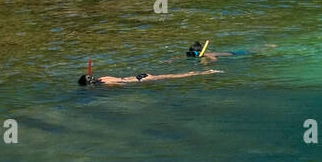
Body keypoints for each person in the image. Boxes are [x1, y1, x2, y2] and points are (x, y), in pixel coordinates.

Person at [80, 69, 221, 86]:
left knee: (174, 77)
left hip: (140, 80)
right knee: (171, 75)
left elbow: (121, 85)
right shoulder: (104, 77)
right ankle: (202, 72)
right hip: (137, 76)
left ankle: (208, 72)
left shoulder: (104, 83)